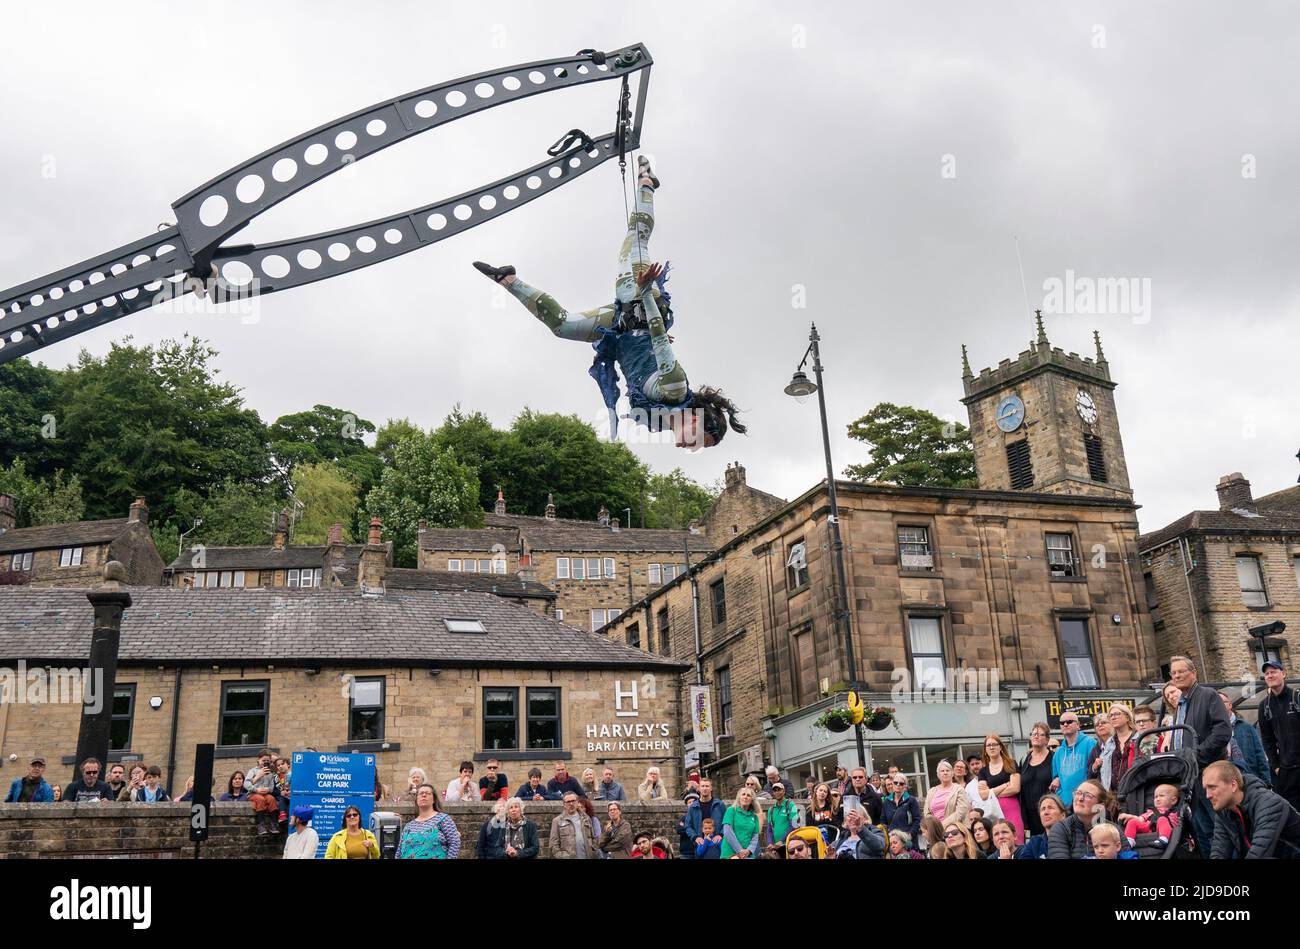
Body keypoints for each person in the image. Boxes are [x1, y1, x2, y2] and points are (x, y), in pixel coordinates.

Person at [476, 155, 746, 450]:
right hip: (640, 305)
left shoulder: (659, 420)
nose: (689, 448)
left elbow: (647, 361)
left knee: (563, 326)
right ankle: (647, 183)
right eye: (698, 442)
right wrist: (645, 292)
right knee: (635, 240)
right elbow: (658, 337)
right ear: (696, 421)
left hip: (621, 331)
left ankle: (508, 280)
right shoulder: (676, 388)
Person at [1168, 655, 1233, 855]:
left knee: (1220, 828)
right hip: (1189, 777)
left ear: (1193, 673)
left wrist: (1197, 755)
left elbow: (1222, 732)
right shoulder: (1180, 704)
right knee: (1202, 830)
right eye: (1173, 673)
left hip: (1208, 771)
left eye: (1181, 671)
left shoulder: (1207, 695)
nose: (1177, 676)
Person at [1204, 760, 1300, 859]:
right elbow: (1219, 852)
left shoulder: (1267, 803)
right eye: (1205, 789)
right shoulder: (1224, 811)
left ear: (1233, 785)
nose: (1207, 795)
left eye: (1212, 787)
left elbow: (1259, 854)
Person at [1259, 659, 1300, 813]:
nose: (1269, 675)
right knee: (1293, 815)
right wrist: (1276, 766)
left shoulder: (1296, 697)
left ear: (1283, 673)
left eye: (1273, 671)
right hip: (1285, 772)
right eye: (1266, 673)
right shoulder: (1265, 706)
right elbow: (1267, 740)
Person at [1048, 779, 1113, 859]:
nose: (1080, 798)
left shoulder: (1113, 830)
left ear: (1100, 806)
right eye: (1078, 793)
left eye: (1088, 796)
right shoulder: (1061, 829)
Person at [1219, 690, 1272, 786]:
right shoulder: (1213, 731)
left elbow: (1260, 755)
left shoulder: (1246, 727)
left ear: (1230, 705)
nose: (1219, 705)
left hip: (1251, 782)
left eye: (1222, 702)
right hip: (1226, 784)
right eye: (1216, 703)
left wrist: (1267, 782)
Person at [397, 783, 461, 859]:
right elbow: (399, 852)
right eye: (421, 793)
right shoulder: (408, 826)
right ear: (416, 799)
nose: (424, 795)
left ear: (434, 799)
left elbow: (454, 843)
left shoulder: (443, 819)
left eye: (428, 793)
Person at [978, 734, 1022, 841]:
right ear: (985, 750)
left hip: (1012, 807)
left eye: (994, 744)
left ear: (1000, 747)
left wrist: (991, 792)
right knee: (999, 841)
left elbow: (1015, 788)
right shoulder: (983, 771)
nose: (992, 747)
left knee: (1016, 839)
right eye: (988, 745)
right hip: (994, 810)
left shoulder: (1011, 763)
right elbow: (983, 795)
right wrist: (1004, 785)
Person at [1050, 711, 1097, 807]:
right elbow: (1056, 778)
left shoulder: (1090, 743)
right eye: (1062, 723)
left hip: (1087, 802)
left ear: (1078, 725)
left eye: (1069, 721)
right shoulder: (1058, 753)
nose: (1065, 724)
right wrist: (1062, 797)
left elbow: (1096, 773)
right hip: (1066, 805)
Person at [1018, 722, 1055, 838]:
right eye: (1033, 734)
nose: (1036, 736)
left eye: (1040, 734)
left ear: (1047, 739)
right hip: (1029, 816)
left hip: (1049, 813)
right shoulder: (1024, 760)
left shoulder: (1054, 757)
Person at [1120, 783, 1181, 847]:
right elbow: (1140, 819)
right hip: (1149, 827)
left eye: (1162, 795)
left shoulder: (1175, 813)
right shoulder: (1150, 812)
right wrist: (1130, 816)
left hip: (1164, 828)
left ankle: (1163, 839)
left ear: (1173, 800)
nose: (1157, 799)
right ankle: (1129, 841)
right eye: (1156, 797)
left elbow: (1178, 825)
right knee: (1132, 822)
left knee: (1162, 819)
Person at [1100, 703, 1139, 792]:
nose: (1113, 717)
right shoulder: (1109, 742)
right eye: (1111, 716)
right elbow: (1104, 770)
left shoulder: (1138, 738)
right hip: (1113, 793)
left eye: (1117, 714)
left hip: (1134, 790)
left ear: (1127, 717)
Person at [1017, 794, 1068, 859]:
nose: (1046, 812)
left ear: (1063, 815)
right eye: (1043, 809)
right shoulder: (1034, 843)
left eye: (1050, 808)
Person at [549, 791, 597, 859]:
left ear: (577, 802)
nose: (571, 804)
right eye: (568, 802)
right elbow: (553, 845)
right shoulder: (557, 821)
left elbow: (593, 838)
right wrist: (563, 856)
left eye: (573, 801)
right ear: (564, 805)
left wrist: (592, 851)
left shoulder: (586, 818)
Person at [721, 786, 764, 859]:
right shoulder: (731, 811)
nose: (745, 797)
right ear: (739, 797)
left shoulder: (754, 817)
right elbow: (727, 832)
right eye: (743, 794)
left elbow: (755, 837)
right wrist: (739, 850)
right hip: (730, 852)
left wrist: (749, 850)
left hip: (747, 854)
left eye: (748, 795)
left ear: (752, 800)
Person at [924, 760, 971, 826]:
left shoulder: (959, 789)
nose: (945, 773)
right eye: (942, 771)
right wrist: (934, 826)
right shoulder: (931, 791)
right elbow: (927, 813)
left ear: (952, 774)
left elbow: (961, 812)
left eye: (948, 770)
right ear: (938, 775)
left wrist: (942, 825)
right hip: (934, 830)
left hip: (953, 829)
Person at [245, 749, 281, 836]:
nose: (265, 762)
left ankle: (273, 823)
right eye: (263, 760)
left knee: (272, 799)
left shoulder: (270, 773)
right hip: (253, 793)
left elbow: (272, 787)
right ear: (258, 760)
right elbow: (246, 784)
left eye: (268, 761)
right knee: (260, 799)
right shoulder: (253, 771)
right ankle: (260, 824)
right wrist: (256, 789)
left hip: (266, 793)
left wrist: (268, 790)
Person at [881, 773, 923, 847]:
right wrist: (888, 835)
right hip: (893, 843)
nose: (898, 785)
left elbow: (917, 820)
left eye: (901, 783)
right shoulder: (887, 802)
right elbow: (883, 821)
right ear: (893, 784)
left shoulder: (911, 800)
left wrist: (910, 835)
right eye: (895, 783)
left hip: (908, 842)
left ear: (905, 786)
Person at [766, 782, 800, 846]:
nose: (777, 792)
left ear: (784, 791)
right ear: (773, 793)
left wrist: (782, 840)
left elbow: (794, 826)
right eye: (775, 790)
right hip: (776, 846)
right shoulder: (771, 810)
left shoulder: (791, 805)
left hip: (789, 844)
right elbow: (769, 829)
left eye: (779, 790)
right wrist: (770, 843)